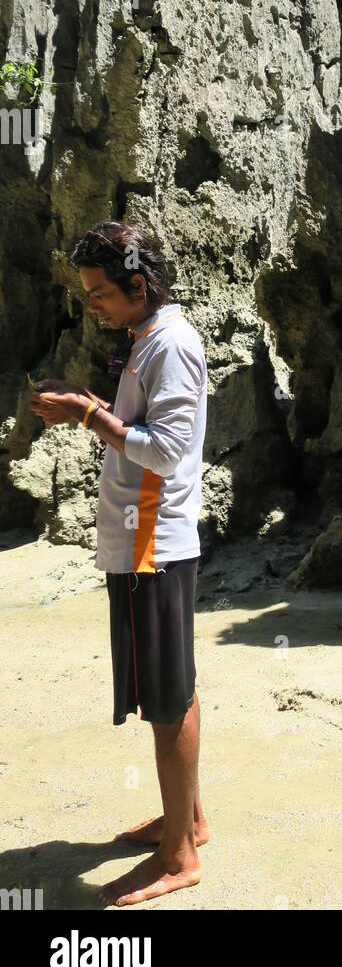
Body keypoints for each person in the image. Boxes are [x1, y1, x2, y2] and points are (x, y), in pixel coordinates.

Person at [29, 222, 208, 906]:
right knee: (173, 687)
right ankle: (185, 818)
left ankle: (180, 855)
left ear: (139, 285)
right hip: (140, 541)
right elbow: (145, 429)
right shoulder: (148, 340)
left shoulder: (173, 345)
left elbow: (166, 452)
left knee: (169, 698)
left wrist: (85, 415)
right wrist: (92, 405)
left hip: (151, 546)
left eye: (102, 293)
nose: (92, 306)